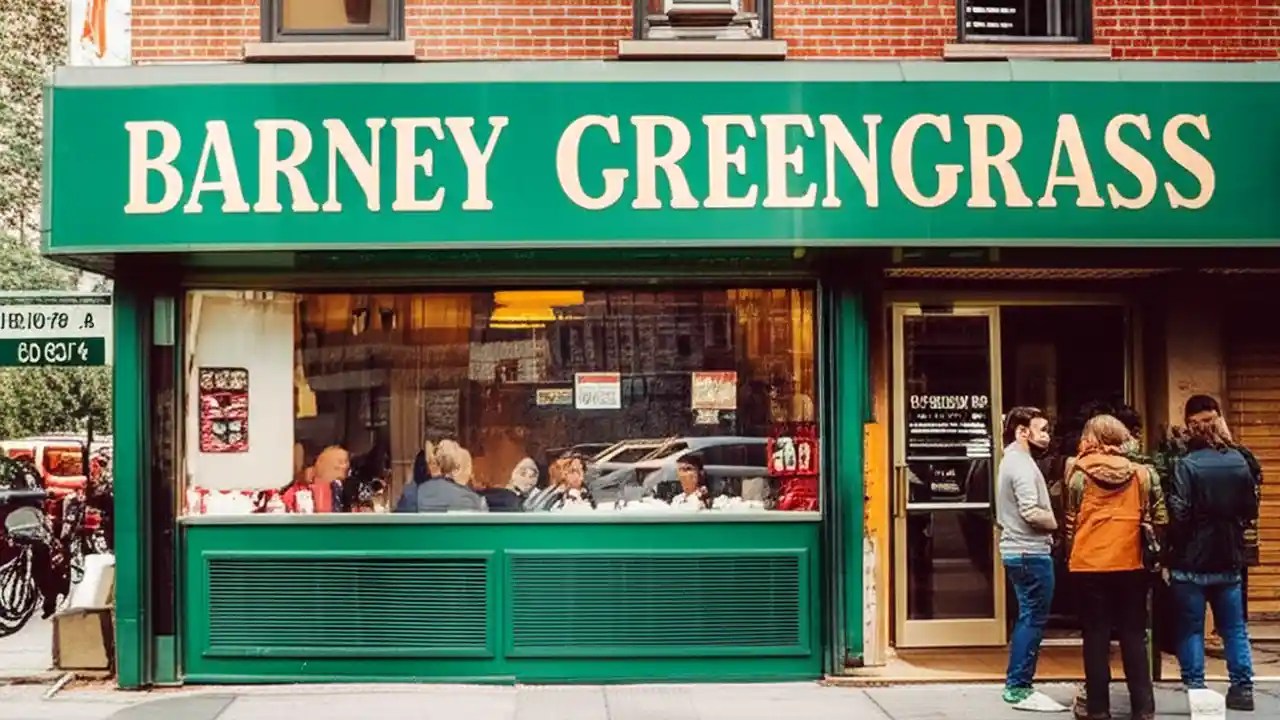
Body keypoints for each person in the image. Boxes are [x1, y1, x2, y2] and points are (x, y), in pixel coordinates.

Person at [1063, 414, 1163, 720]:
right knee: (1134, 635)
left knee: (1095, 635)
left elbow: (1070, 521)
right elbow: (1161, 517)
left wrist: (1071, 553)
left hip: (1088, 564)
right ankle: (1143, 709)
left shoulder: (1077, 473)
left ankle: (1098, 709)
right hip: (1131, 562)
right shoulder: (1143, 474)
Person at [1168, 404, 1259, 712]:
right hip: (1228, 556)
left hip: (1190, 559)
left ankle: (1197, 689)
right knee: (1234, 627)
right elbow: (1250, 510)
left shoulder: (1186, 464)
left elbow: (1179, 513)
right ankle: (1242, 689)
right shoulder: (1239, 462)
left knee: (1191, 627)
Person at [995, 406, 1064, 711]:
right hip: (1029, 552)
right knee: (1033, 619)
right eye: (1043, 429)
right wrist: (1057, 521)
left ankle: (1019, 683)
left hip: (1020, 551)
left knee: (1029, 617)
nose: (1047, 435)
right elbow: (1030, 511)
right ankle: (1019, 686)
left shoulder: (1013, 460)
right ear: (1023, 431)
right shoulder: (1021, 464)